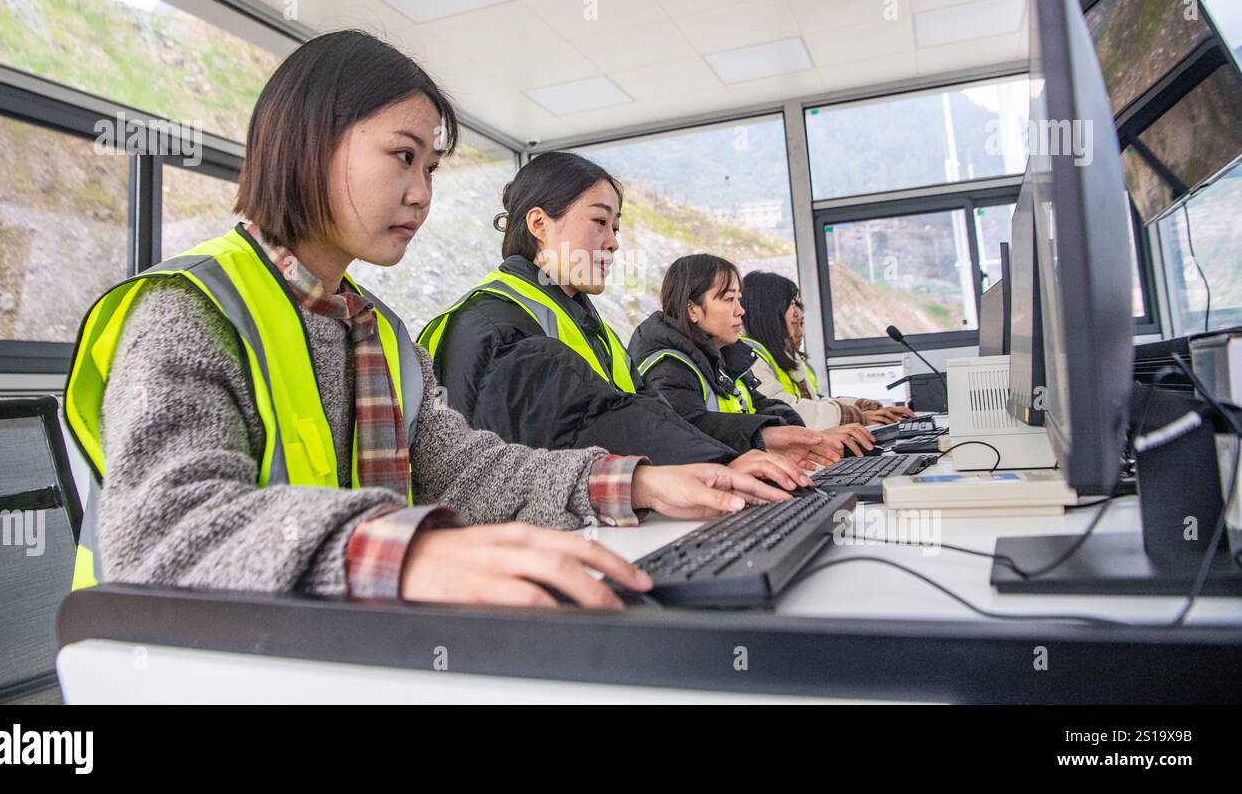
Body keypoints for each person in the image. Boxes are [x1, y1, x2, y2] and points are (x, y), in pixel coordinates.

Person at [62, 30, 796, 612]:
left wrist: (635, 483)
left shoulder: (374, 329)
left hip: (338, 646)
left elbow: (464, 470)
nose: (420, 195)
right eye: (402, 157)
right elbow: (163, 532)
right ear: (313, 144)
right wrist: (408, 551)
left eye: (433, 171)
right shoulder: (187, 311)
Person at [420, 151, 838, 482]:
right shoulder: (497, 323)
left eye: (616, 227)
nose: (613, 243)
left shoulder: (582, 321)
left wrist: (755, 439)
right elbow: (592, 425)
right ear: (539, 224)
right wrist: (725, 463)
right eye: (599, 221)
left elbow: (655, 416)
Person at [629, 255, 876, 459]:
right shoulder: (667, 366)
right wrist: (768, 438)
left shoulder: (724, 355)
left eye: (739, 298)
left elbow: (764, 405)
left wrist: (800, 438)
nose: (740, 310)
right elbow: (690, 430)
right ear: (691, 309)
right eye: (728, 299)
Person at [740, 271, 914, 427]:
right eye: (792, 303)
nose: (797, 310)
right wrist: (859, 417)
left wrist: (863, 407)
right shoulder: (749, 358)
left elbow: (814, 402)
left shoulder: (781, 356)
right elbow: (791, 411)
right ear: (767, 310)